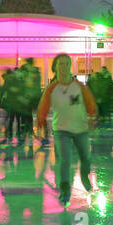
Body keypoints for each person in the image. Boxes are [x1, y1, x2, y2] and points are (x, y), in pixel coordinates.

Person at [37, 52, 98, 208]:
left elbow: (90, 102)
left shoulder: (79, 86)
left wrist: (92, 118)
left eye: (66, 64)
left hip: (81, 128)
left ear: (70, 67)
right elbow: (43, 107)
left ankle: (84, 176)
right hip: (61, 129)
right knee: (65, 160)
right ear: (56, 68)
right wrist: (41, 123)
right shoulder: (52, 88)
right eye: (60, 64)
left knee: (86, 157)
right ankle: (65, 190)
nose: (63, 67)